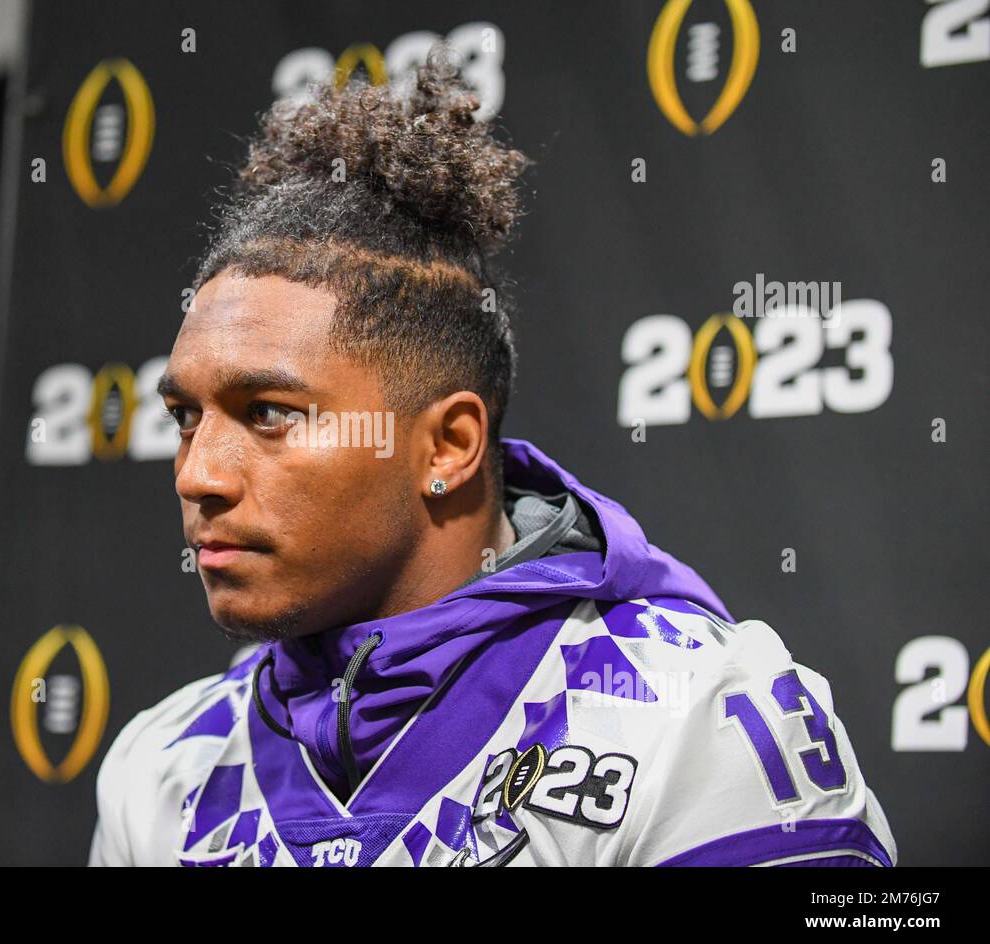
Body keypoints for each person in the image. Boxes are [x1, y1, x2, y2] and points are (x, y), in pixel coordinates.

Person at [88, 44, 896, 867]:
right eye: (187, 417)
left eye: (268, 414)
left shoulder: (698, 718)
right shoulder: (162, 765)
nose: (198, 475)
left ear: (449, 445)